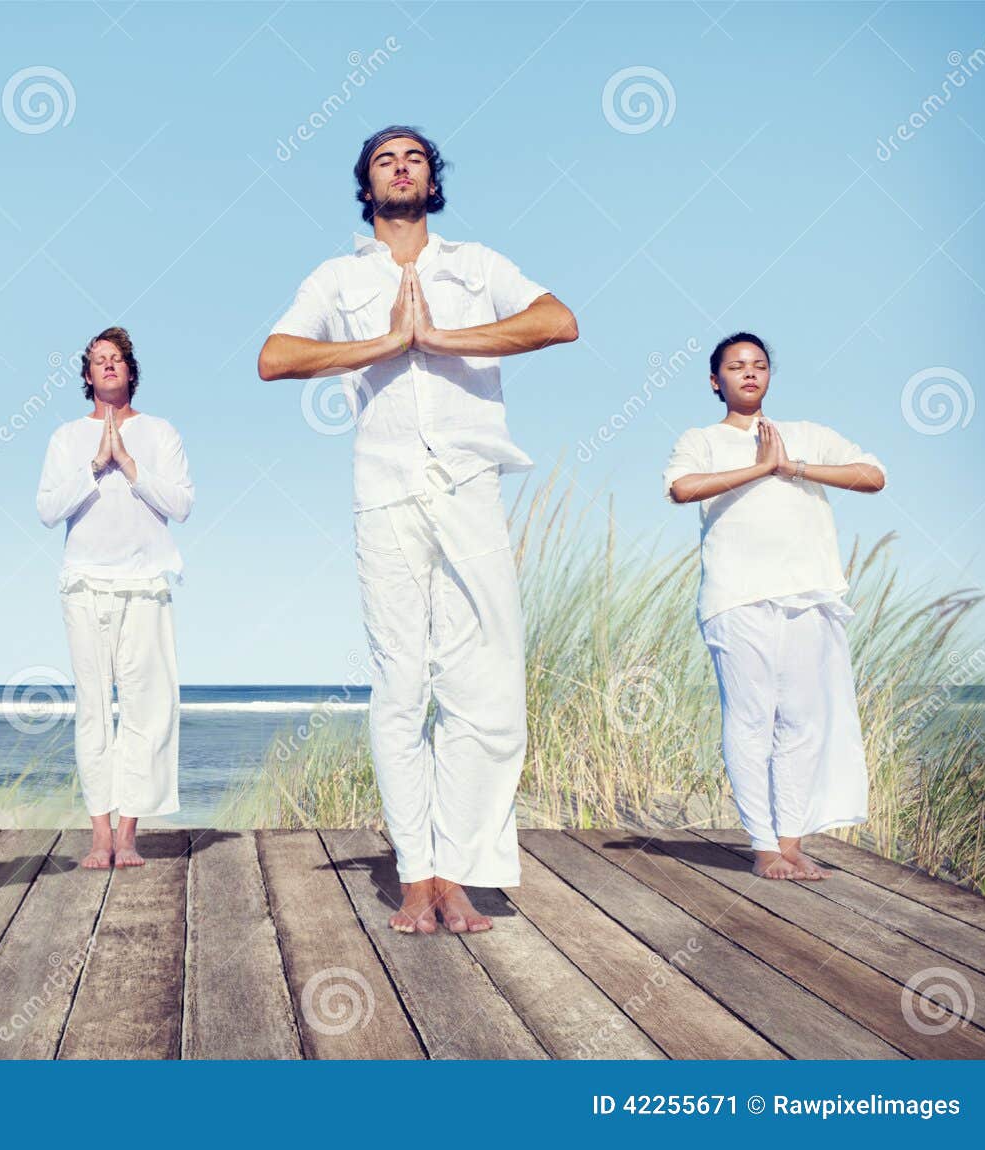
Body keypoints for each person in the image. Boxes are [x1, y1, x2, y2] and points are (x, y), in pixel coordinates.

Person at [257, 125, 578, 934]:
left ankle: (463, 871)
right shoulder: (340, 274)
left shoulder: (477, 264)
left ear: (433, 180)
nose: (401, 168)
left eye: (414, 158)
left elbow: (558, 321)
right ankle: (416, 871)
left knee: (486, 683)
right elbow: (274, 356)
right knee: (402, 683)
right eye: (384, 161)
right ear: (367, 186)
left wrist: (441, 339)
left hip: (469, 482)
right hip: (387, 489)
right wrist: (383, 345)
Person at [664, 332, 884, 881]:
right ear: (716, 381)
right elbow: (682, 489)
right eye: (736, 366)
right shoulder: (701, 439)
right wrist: (760, 469)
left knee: (803, 721)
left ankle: (790, 843)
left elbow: (872, 476)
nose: (749, 373)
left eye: (759, 365)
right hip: (736, 597)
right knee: (750, 719)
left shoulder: (805, 436)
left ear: (769, 376)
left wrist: (794, 468)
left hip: (809, 593)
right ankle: (762, 846)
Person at [36, 327, 194, 869]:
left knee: (147, 710)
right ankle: (99, 834)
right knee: (94, 711)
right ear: (86, 375)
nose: (107, 366)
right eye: (98, 360)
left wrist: (128, 462)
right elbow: (47, 509)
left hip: (146, 582)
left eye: (116, 359)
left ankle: (129, 834)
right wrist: (95, 466)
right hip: (84, 583)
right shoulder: (64, 438)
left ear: (130, 371)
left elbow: (181, 504)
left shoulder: (161, 432)